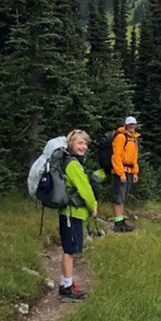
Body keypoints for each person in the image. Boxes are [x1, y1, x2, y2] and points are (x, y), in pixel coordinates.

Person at [59, 129, 99, 300]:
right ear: (71, 144)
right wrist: (93, 206)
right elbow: (85, 190)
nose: (84, 146)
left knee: (70, 248)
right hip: (72, 213)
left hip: (70, 213)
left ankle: (66, 283)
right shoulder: (73, 164)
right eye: (80, 143)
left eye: (85, 143)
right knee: (69, 249)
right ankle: (66, 289)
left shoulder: (70, 162)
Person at [109, 115, 140, 232]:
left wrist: (135, 172)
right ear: (126, 125)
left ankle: (121, 222)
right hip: (120, 171)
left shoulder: (133, 138)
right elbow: (116, 156)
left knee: (123, 197)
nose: (132, 126)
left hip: (129, 171)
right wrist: (120, 173)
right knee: (118, 197)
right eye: (130, 124)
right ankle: (118, 222)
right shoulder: (121, 137)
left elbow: (134, 158)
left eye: (134, 124)